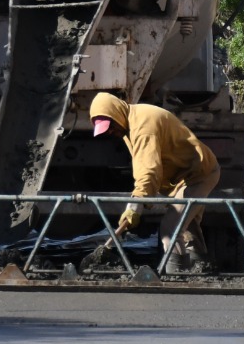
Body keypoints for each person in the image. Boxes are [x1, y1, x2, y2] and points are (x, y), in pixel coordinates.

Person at [89, 91, 221, 272]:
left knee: (170, 229)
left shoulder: (143, 127)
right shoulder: (130, 122)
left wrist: (136, 204)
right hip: (185, 176)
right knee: (188, 226)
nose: (110, 132)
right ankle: (202, 271)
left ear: (116, 113)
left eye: (110, 126)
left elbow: (149, 170)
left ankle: (178, 277)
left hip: (198, 175)